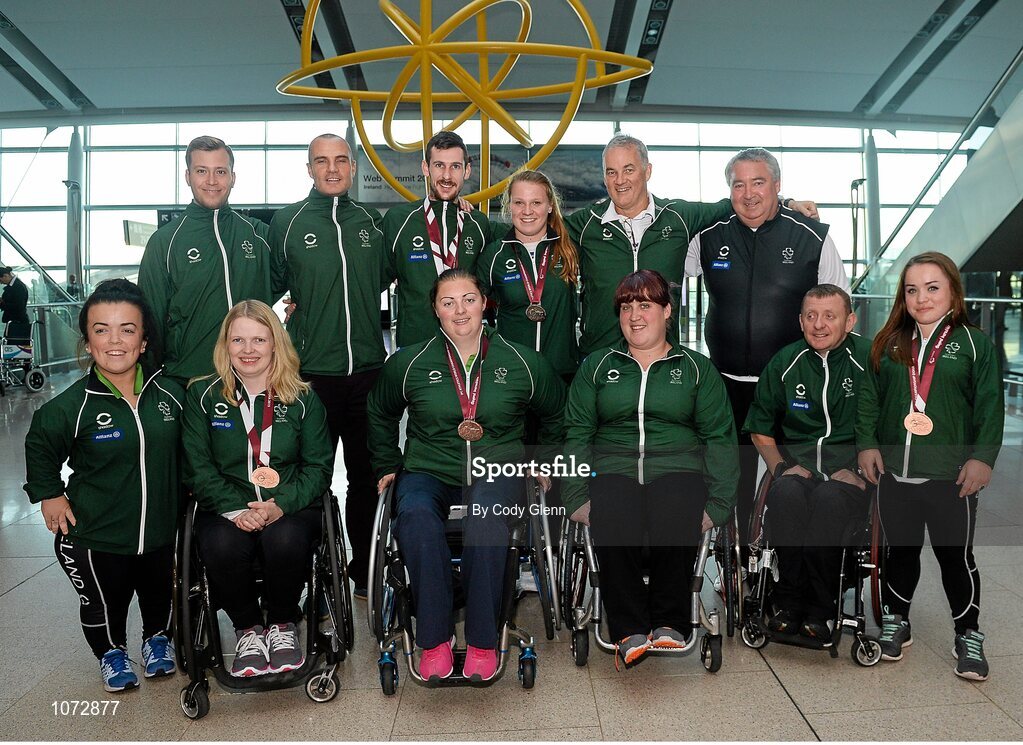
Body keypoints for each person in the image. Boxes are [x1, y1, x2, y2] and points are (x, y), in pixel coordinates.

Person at [367, 268, 565, 682]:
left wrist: (543, 460)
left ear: (484, 303)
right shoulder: (409, 363)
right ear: (435, 311)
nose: (460, 310)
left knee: (487, 518)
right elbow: (380, 412)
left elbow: (556, 414)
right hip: (428, 467)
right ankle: (435, 640)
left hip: (496, 466)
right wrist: (386, 464)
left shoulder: (522, 361)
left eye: (469, 299)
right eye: (448, 302)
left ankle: (481, 640)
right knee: (416, 520)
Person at [562, 270, 739, 665]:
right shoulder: (597, 366)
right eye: (627, 307)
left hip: (677, 469)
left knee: (676, 500)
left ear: (666, 311)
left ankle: (669, 622)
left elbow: (720, 439)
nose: (635, 315)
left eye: (645, 305)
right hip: (613, 469)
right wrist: (574, 495)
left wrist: (720, 504)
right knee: (614, 502)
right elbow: (576, 433)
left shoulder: (696, 369)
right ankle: (627, 628)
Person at [23, 279, 183, 692]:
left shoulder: (172, 396)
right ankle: (111, 653)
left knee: (158, 595)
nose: (115, 341)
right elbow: (40, 442)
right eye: (101, 329)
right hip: (95, 535)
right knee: (103, 603)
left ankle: (157, 641)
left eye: (127, 329)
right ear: (87, 340)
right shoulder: (72, 406)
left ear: (144, 340)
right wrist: (49, 493)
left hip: (162, 532)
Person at [685, 147, 849, 541]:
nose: (749, 193)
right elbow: (666, 280)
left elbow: (839, 309)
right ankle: (736, 566)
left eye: (759, 182)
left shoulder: (813, 236)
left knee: (797, 477)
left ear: (777, 186)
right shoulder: (708, 236)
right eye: (738, 184)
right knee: (731, 479)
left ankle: (791, 569)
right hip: (727, 384)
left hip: (793, 383)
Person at [857, 251, 1004, 681]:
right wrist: (866, 444)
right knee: (898, 553)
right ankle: (896, 621)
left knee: (954, 557)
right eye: (912, 289)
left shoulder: (974, 344)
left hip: (950, 477)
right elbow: (869, 400)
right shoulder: (887, 341)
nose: (922, 298)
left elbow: (990, 406)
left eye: (932, 287)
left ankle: (969, 633)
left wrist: (981, 457)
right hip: (894, 476)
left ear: (953, 292)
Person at [563, 135, 819, 358]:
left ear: (647, 171)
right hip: (599, 357)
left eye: (628, 169)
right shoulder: (585, 223)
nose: (620, 180)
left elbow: (742, 201)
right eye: (611, 172)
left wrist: (787, 202)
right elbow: (543, 227)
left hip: (662, 359)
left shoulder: (679, 217)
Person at [182, 300, 333, 677]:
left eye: (259, 340)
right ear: (225, 345)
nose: (248, 350)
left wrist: (278, 506)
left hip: (292, 505)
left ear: (275, 344)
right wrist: (238, 509)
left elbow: (318, 467)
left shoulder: (302, 398)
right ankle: (248, 629)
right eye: (238, 340)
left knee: (283, 539)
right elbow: (198, 468)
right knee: (219, 543)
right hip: (225, 506)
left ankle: (282, 625)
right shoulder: (202, 397)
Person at [270, 133, 386, 597]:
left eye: (341, 160)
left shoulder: (371, 224)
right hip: (310, 377)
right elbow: (269, 290)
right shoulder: (287, 223)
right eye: (322, 161)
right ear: (310, 168)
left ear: (354, 168)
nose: (332, 169)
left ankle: (364, 570)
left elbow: (391, 280)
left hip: (368, 375)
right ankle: (311, 571)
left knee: (366, 478)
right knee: (309, 478)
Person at [744, 284, 871, 642]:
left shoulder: (871, 359)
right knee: (785, 495)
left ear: (850, 320)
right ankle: (787, 601)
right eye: (811, 316)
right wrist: (781, 467)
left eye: (829, 316)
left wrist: (864, 472)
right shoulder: (785, 362)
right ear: (800, 321)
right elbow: (759, 427)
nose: (819, 324)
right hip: (798, 470)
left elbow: (893, 421)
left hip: (850, 475)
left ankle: (820, 607)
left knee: (830, 499)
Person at [139, 136, 285, 386]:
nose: (212, 181)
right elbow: (150, 320)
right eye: (201, 171)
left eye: (220, 171)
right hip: (191, 377)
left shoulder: (259, 234)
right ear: (188, 176)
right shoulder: (164, 242)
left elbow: (285, 279)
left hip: (254, 378)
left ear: (233, 177)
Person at [383, 130, 491, 348]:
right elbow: (371, 281)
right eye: (439, 165)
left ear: (467, 171)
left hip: (466, 347)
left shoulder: (478, 224)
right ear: (426, 168)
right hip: (414, 346)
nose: (447, 176)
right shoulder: (398, 221)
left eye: (455, 166)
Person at [476, 169, 580, 380]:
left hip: (561, 374)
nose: (527, 211)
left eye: (536, 203)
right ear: (509, 206)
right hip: (511, 376)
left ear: (550, 206)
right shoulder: (494, 254)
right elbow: (471, 309)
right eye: (519, 203)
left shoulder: (569, 248)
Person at [1, 266, 30, 343]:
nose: (1, 283)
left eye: (1, 280)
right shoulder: (15, 286)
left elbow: (18, 306)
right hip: (15, 321)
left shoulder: (18, 287)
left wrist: (2, 304)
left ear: (5, 276)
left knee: (14, 346)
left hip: (17, 323)